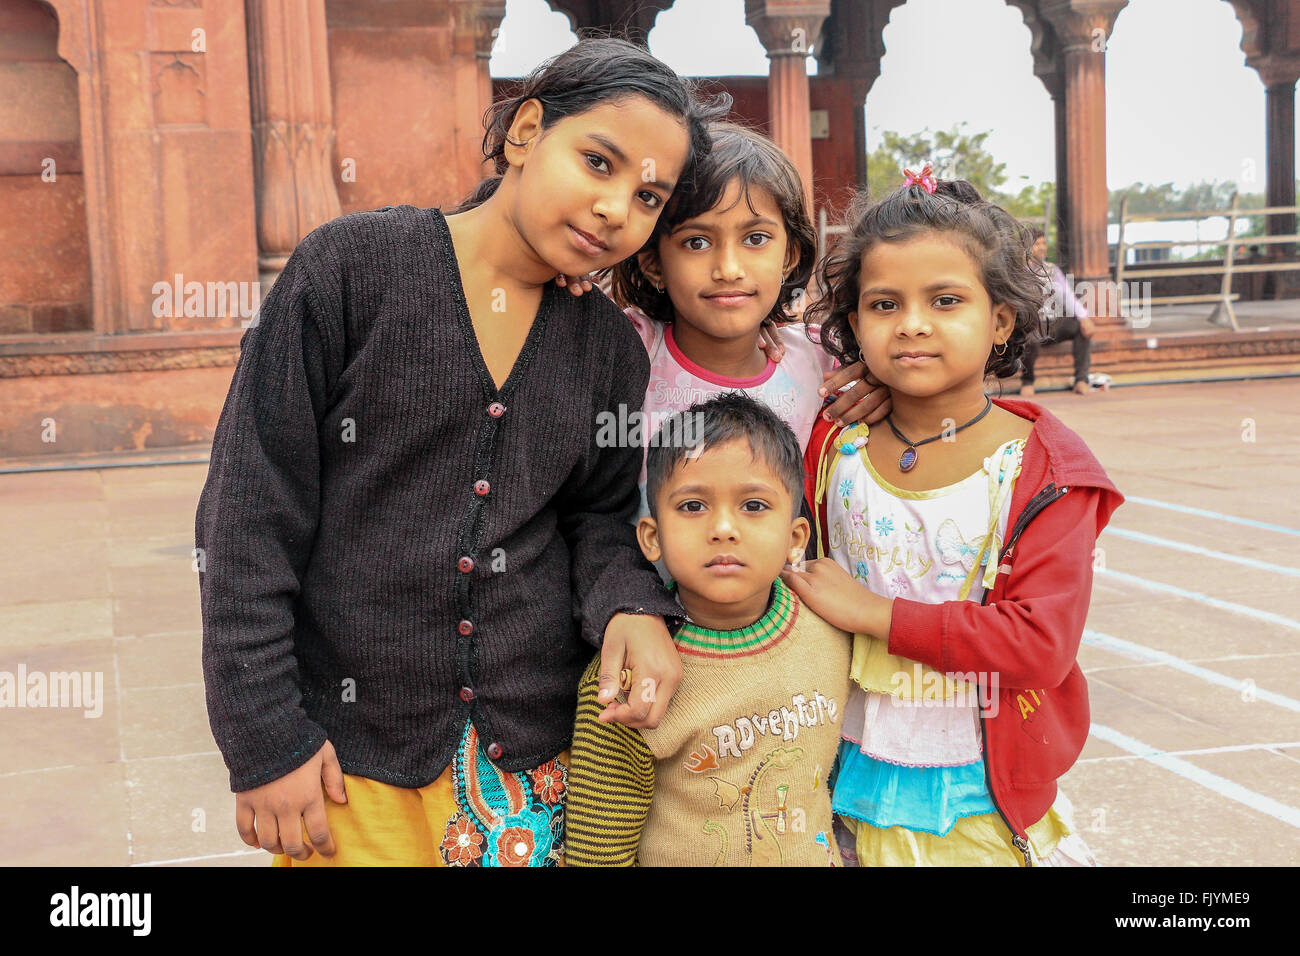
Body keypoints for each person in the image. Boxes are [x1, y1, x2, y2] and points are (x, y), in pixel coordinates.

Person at [194, 37, 729, 867]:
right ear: (524, 132)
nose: (616, 208)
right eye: (597, 162)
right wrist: (264, 736)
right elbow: (247, 516)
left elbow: (595, 514)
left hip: (530, 765)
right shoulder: (352, 272)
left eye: (649, 196)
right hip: (352, 759)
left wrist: (629, 604)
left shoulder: (605, 350)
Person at [787, 168, 1125, 866]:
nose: (912, 324)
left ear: (1000, 318)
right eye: (884, 305)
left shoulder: (1042, 468)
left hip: (974, 785)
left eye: (946, 300)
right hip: (838, 768)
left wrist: (876, 614)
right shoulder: (834, 444)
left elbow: (1039, 646)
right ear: (854, 325)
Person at [565, 392, 852, 866]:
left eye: (754, 505)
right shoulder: (628, 674)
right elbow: (598, 851)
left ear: (795, 538)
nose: (723, 527)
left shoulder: (830, 631)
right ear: (652, 540)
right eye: (694, 506)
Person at [604, 120, 892, 525]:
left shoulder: (821, 361)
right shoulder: (631, 349)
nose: (728, 268)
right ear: (654, 263)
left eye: (755, 238)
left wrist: (887, 385)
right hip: (642, 587)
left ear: (790, 254)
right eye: (696, 242)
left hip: (787, 587)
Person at [1020, 226, 1096, 396]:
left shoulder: (1052, 269)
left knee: (1080, 327)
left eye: (1043, 243)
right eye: (1037, 244)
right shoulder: (1018, 272)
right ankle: (1027, 381)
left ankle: (1081, 380)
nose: (1042, 247)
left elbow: (1067, 295)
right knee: (1026, 333)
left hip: (1053, 324)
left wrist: (1084, 318)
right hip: (1031, 325)